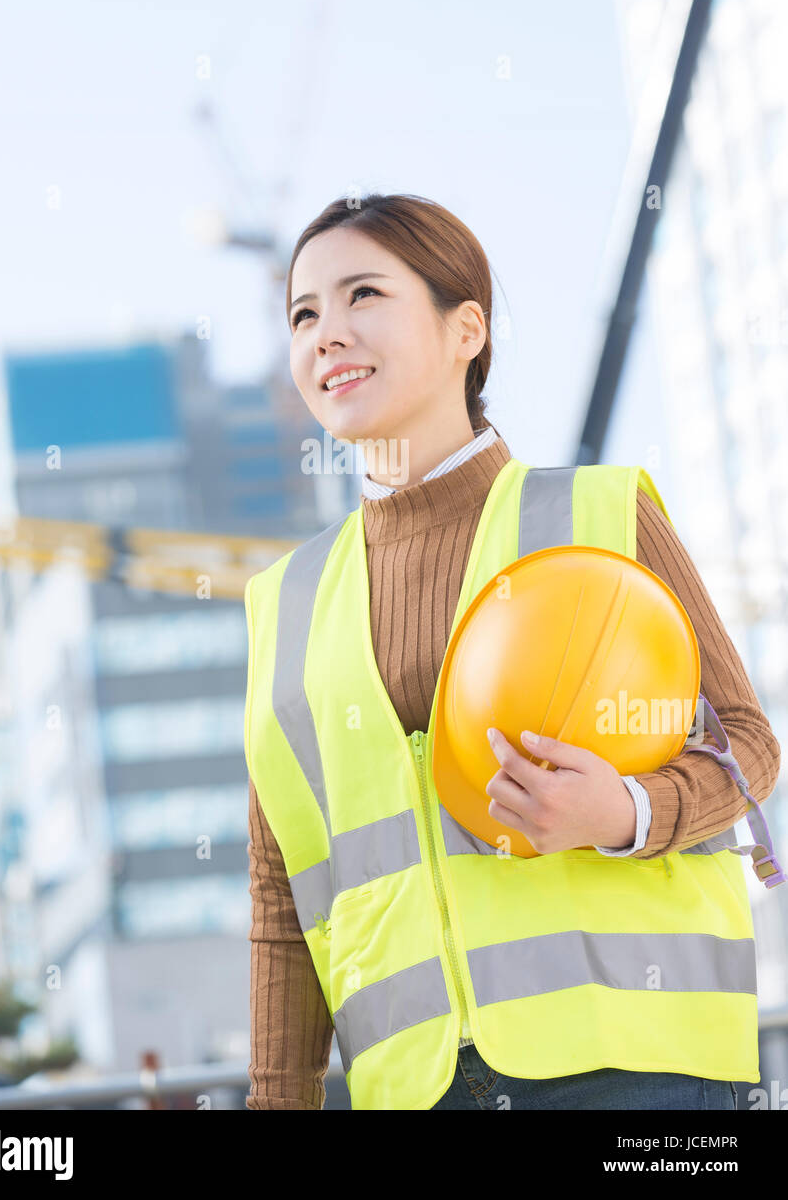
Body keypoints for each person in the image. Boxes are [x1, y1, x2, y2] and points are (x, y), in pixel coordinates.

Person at [243, 192, 781, 1111]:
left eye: (363, 295)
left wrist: (623, 811)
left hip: (637, 1071)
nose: (326, 333)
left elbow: (747, 743)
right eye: (303, 313)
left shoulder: (598, 514)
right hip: (414, 1089)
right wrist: (275, 1099)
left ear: (467, 329)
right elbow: (281, 901)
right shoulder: (284, 603)